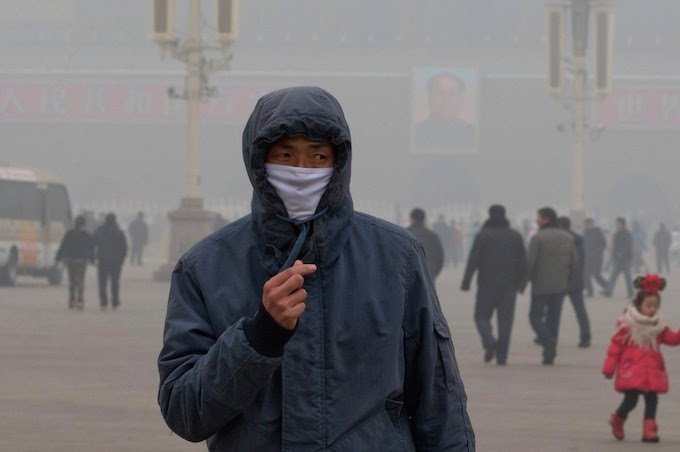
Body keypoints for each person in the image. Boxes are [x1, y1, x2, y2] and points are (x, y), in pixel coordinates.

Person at [157, 86, 474, 448]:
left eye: (318, 156)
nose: (301, 171)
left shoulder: (396, 258)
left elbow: (440, 401)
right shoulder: (205, 267)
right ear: (258, 161)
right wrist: (258, 338)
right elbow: (184, 412)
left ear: (339, 163)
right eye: (286, 156)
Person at [603, 273, 680, 443]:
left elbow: (671, 338)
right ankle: (618, 419)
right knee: (631, 400)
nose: (653, 309)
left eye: (656, 305)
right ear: (639, 305)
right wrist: (609, 366)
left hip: (652, 370)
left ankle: (649, 431)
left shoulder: (659, 326)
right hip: (632, 370)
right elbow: (616, 346)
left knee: (652, 400)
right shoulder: (627, 324)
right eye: (649, 305)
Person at [461, 203, 527, 366]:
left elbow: (473, 259)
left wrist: (466, 282)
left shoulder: (483, 235)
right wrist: (522, 284)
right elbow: (523, 262)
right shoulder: (515, 235)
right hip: (509, 286)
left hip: (486, 284)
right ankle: (502, 357)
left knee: (481, 315)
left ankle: (489, 340)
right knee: (505, 322)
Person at [524, 206, 578, 365]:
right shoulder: (567, 237)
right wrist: (568, 281)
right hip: (560, 286)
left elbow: (530, 263)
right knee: (554, 319)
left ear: (546, 219)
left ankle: (547, 342)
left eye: (539, 217)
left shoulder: (538, 238)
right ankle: (549, 353)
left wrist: (523, 283)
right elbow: (574, 263)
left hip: (540, 286)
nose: (536, 220)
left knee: (535, 317)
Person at [412, 71, 477, 152]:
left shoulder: (471, 133)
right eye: (439, 93)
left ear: (460, 100)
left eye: (452, 94)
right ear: (429, 98)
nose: (446, 100)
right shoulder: (415, 133)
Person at [557, 215, 592, 349]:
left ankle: (547, 336)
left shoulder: (560, 240)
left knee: (554, 310)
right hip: (576, 279)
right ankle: (585, 336)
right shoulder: (578, 239)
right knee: (580, 310)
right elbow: (581, 260)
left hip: (560, 279)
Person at [55, 215, 95, 310]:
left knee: (72, 280)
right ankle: (80, 300)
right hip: (82, 260)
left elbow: (63, 246)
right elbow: (91, 248)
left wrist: (57, 259)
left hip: (70, 259)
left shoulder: (70, 233)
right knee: (80, 280)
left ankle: (72, 299)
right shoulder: (87, 235)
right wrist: (92, 259)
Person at [94, 212, 127, 310]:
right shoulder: (119, 232)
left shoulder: (99, 231)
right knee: (115, 282)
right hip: (116, 262)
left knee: (102, 283)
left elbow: (93, 244)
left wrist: (93, 257)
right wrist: (121, 259)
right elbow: (124, 248)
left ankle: (103, 302)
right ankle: (115, 301)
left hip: (102, 260)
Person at [407, 206, 445, 280]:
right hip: (429, 271)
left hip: (408, 273)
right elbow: (440, 257)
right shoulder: (433, 236)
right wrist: (434, 272)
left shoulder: (404, 234)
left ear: (411, 218)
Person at [603, 217, 634, 300]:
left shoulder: (626, 233)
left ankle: (630, 293)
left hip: (625, 259)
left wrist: (621, 253)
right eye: (616, 223)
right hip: (617, 258)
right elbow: (614, 245)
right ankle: (608, 291)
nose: (616, 225)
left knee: (627, 277)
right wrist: (614, 254)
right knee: (613, 276)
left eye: (618, 223)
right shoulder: (617, 233)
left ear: (622, 224)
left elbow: (627, 245)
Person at [582, 218, 608, 297]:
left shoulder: (598, 232)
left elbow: (603, 244)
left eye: (590, 223)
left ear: (593, 224)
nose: (588, 225)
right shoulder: (585, 232)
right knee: (586, 274)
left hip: (597, 258)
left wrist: (596, 252)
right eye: (587, 224)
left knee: (596, 274)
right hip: (587, 257)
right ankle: (590, 291)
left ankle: (607, 286)